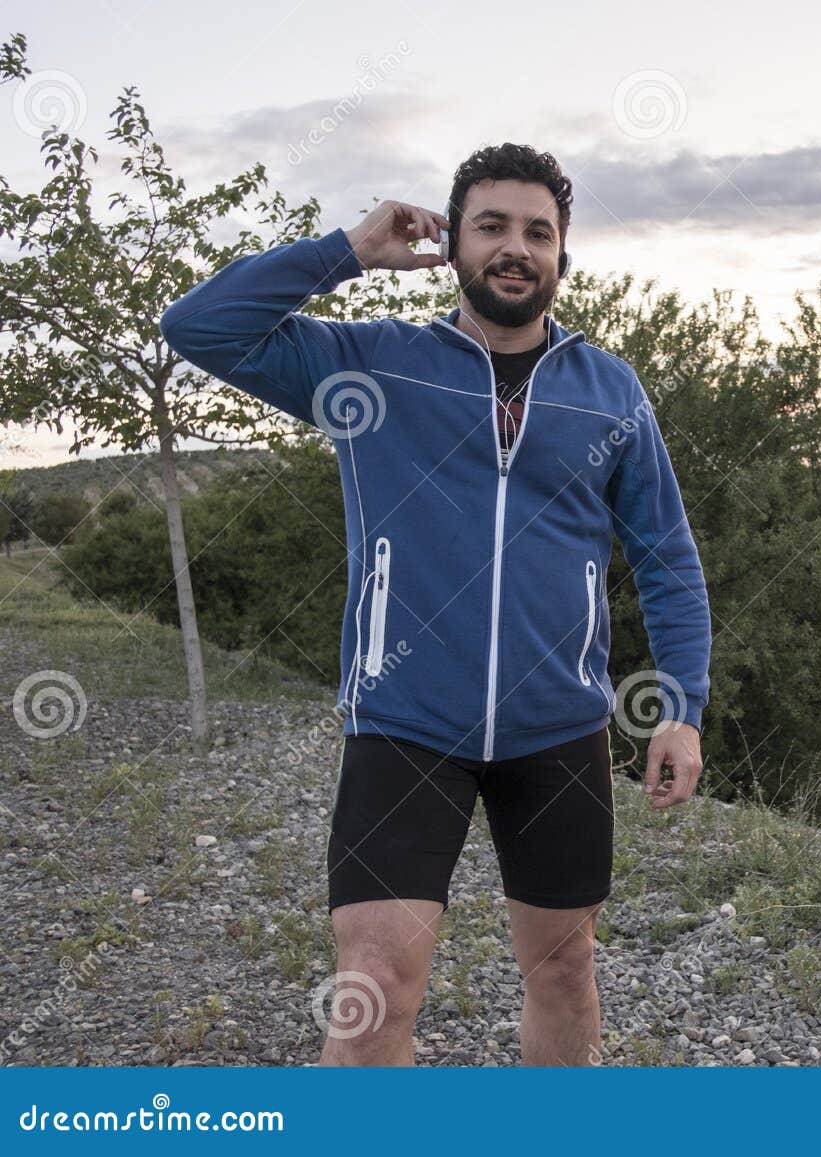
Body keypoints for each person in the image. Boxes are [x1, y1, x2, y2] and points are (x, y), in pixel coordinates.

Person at [159, 143, 712, 1066]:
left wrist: (682, 706)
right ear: (453, 242)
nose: (515, 247)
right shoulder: (374, 364)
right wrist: (347, 250)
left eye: (539, 232)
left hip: (558, 727)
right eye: (491, 226)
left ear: (562, 255)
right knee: (374, 986)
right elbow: (200, 327)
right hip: (406, 722)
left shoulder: (610, 391)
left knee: (565, 968)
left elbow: (667, 558)